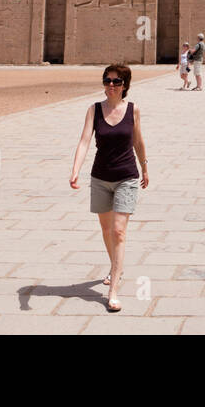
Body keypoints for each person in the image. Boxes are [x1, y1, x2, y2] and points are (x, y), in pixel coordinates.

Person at [68, 63, 149, 313]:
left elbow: (137, 141)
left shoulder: (133, 110)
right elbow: (84, 141)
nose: (110, 86)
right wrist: (75, 170)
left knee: (118, 231)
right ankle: (117, 266)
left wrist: (145, 167)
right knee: (106, 230)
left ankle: (113, 289)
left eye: (116, 82)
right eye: (107, 81)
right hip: (100, 177)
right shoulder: (93, 110)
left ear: (124, 86)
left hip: (127, 176)